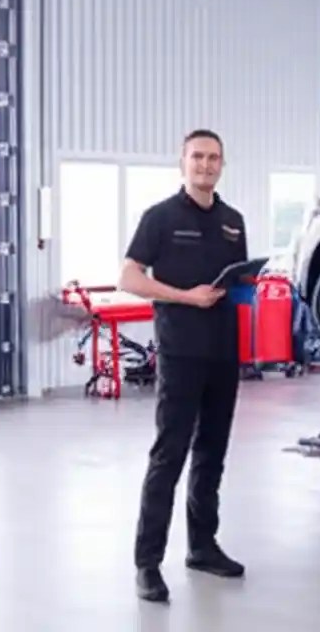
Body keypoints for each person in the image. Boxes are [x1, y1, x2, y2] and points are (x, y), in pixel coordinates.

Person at [118, 129, 249, 604]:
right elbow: (129, 276)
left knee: (211, 453)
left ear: (222, 164)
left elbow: (237, 286)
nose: (206, 165)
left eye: (214, 157)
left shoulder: (233, 221)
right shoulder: (160, 218)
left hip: (223, 354)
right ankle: (147, 563)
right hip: (180, 353)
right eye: (198, 157)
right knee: (168, 456)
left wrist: (251, 281)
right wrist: (183, 297)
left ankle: (202, 546)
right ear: (183, 163)